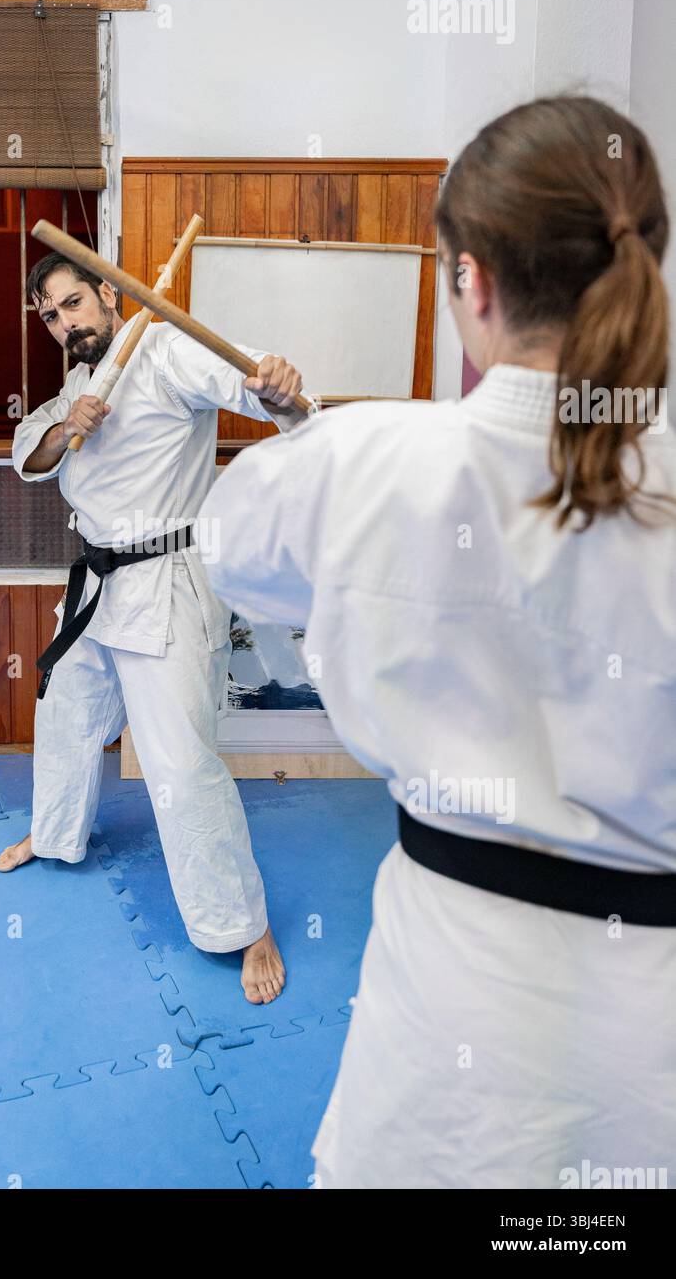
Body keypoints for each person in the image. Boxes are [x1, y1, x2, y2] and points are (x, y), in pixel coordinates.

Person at [201, 95, 676, 1186]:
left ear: (470, 280)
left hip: (451, 1040)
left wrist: (309, 444)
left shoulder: (364, 459)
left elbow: (234, 554)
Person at [0, 250, 308, 1004]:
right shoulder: (79, 382)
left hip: (166, 582)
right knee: (65, 713)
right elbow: (28, 455)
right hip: (96, 582)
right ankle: (57, 830)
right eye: (50, 316)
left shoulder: (165, 347)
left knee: (179, 767)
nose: (65, 323)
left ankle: (242, 926)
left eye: (74, 304)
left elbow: (243, 380)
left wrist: (276, 386)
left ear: (109, 294)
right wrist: (66, 425)